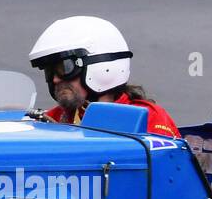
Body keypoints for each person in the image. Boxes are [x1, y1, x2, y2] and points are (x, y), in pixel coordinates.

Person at [28, 16, 180, 138]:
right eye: (49, 71)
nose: (55, 79)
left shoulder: (148, 119)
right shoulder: (53, 118)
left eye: (64, 68)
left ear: (101, 66)